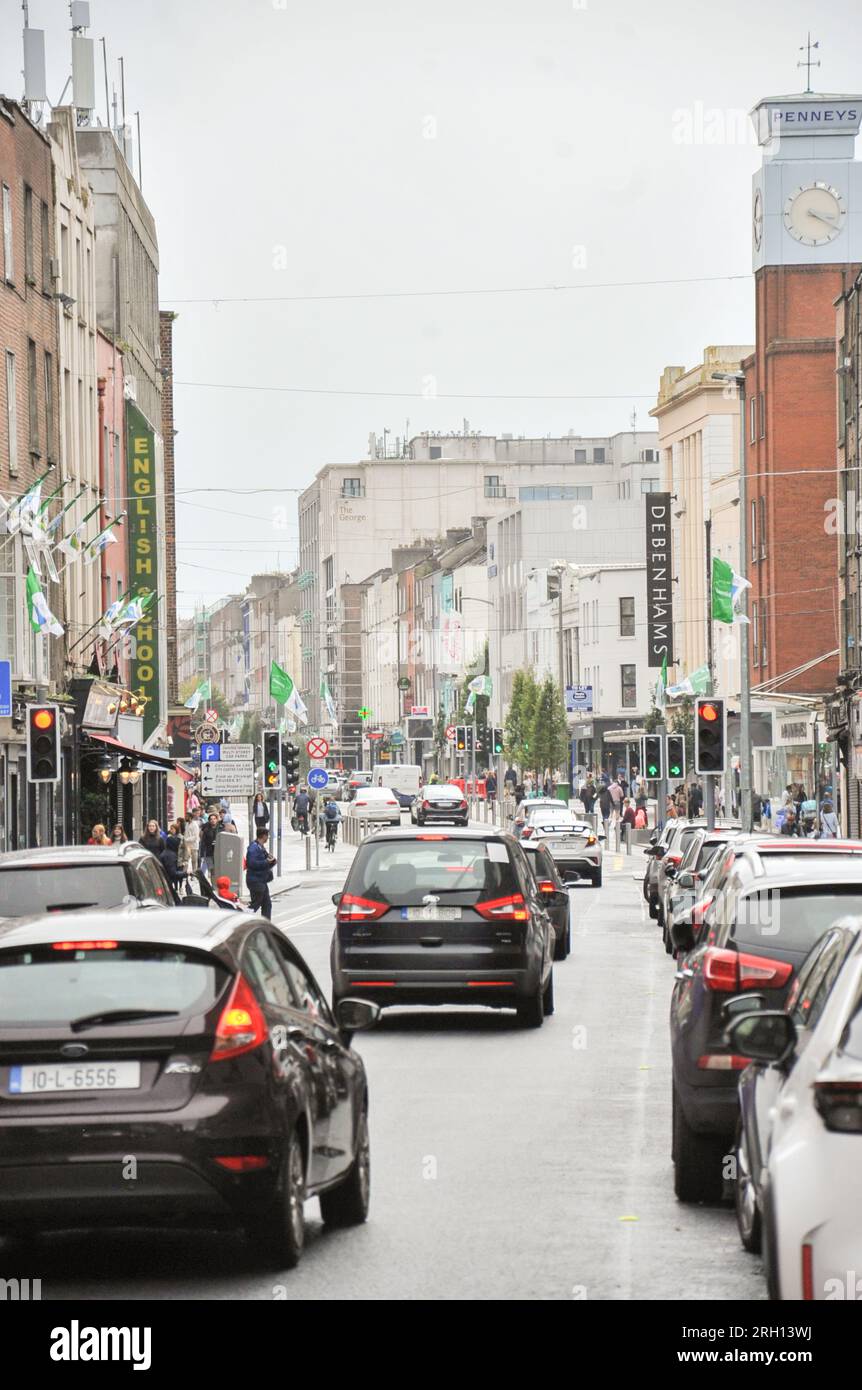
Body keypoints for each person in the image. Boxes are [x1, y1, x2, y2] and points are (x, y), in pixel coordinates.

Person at [246, 828, 276, 918]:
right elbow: (252, 863)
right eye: (267, 836)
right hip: (255, 881)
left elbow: (265, 863)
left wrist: (272, 862)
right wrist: (267, 862)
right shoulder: (253, 848)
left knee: (267, 905)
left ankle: (266, 925)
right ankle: (242, 919)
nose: (268, 838)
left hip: (261, 880)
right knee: (255, 905)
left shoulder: (260, 847)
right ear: (264, 836)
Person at [199, 812, 219, 877]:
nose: (213, 820)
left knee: (218, 869)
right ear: (209, 821)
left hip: (219, 852)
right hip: (209, 852)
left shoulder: (221, 829)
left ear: (217, 820)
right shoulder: (206, 830)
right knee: (211, 869)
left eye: (214, 819)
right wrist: (202, 853)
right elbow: (203, 842)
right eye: (211, 819)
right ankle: (212, 884)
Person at [183, 808, 201, 877]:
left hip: (194, 846)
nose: (185, 818)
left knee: (194, 861)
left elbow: (195, 836)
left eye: (186, 817)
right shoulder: (187, 824)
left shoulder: (195, 825)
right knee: (186, 860)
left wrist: (186, 839)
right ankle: (184, 873)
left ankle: (194, 874)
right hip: (187, 845)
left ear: (190, 817)